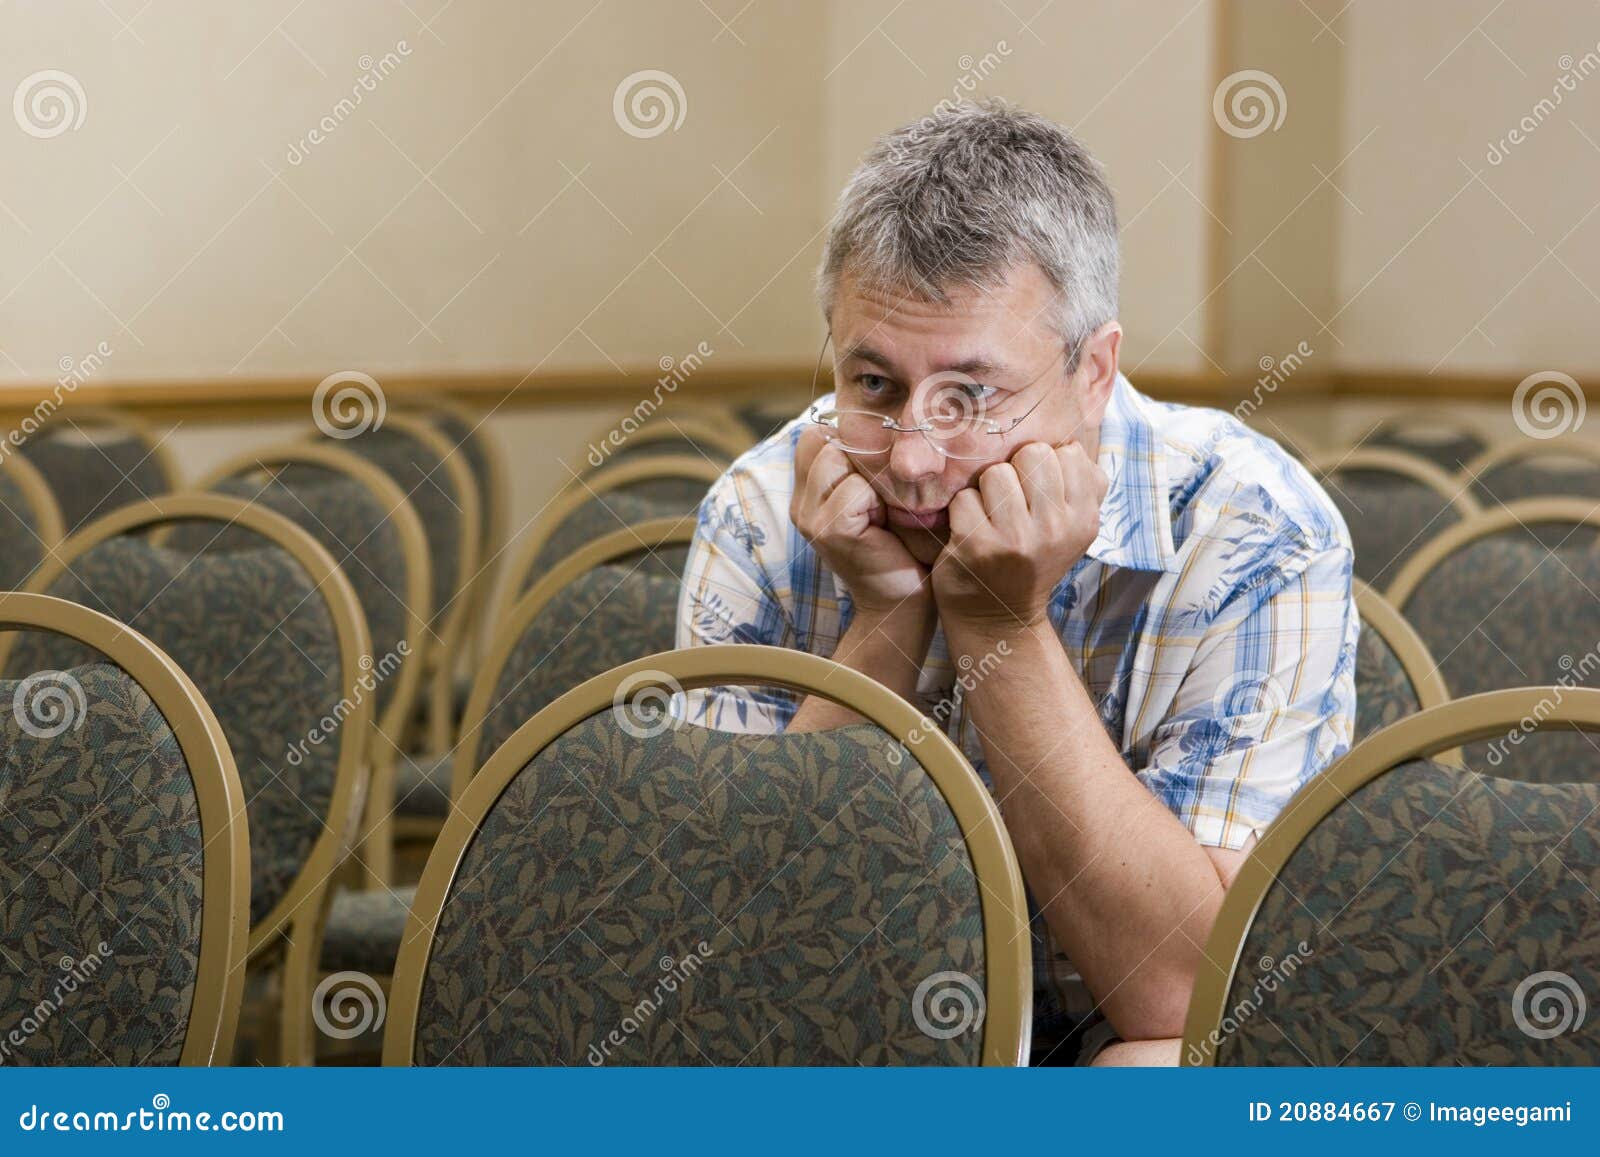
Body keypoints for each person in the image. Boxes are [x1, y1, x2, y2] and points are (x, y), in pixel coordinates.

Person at [676, 99, 1356, 1065]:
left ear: (1094, 372)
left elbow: (1183, 993)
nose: (913, 460)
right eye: (873, 386)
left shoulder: (1255, 529)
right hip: (844, 1044)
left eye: (973, 396)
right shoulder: (757, 507)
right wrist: (888, 619)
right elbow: (720, 945)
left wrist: (1002, 626)